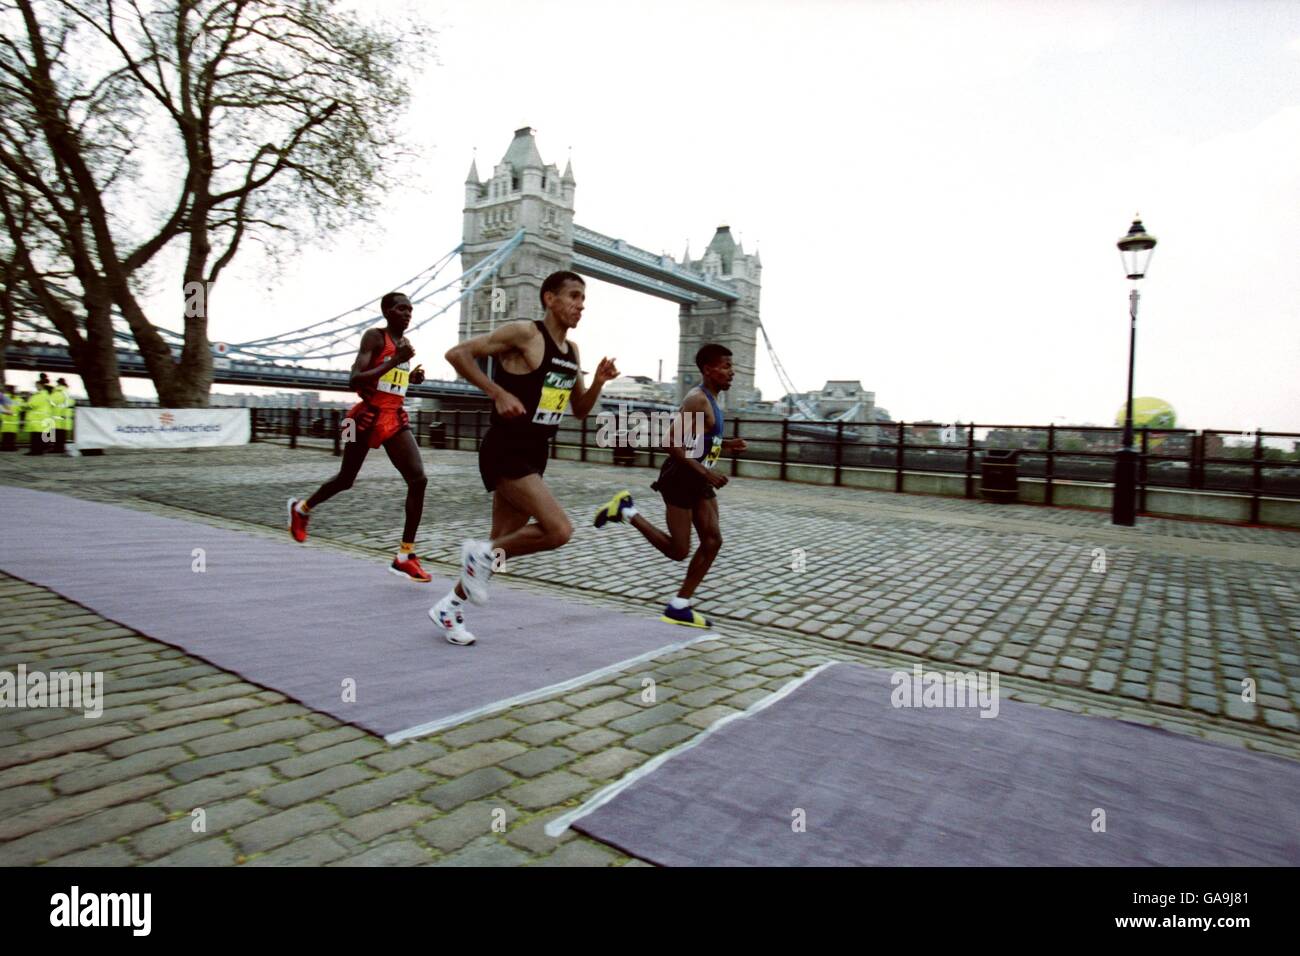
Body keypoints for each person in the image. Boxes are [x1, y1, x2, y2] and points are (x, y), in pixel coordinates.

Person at [429, 271, 618, 645]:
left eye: (583, 299)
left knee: (499, 546)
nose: (581, 305)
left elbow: (578, 410)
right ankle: (477, 557)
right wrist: (497, 392)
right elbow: (458, 355)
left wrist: (598, 381)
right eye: (574, 296)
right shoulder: (525, 334)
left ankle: (449, 608)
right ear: (550, 298)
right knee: (558, 530)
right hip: (506, 447)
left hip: (536, 450)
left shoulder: (572, 352)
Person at [593, 344, 746, 628]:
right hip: (680, 478)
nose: (732, 372)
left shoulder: (713, 399)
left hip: (698, 478)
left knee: (713, 541)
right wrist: (708, 473)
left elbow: (698, 439)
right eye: (726, 366)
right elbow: (671, 443)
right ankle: (626, 511)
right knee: (679, 550)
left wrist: (726, 444)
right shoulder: (696, 399)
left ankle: (680, 605)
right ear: (708, 370)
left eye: (731, 366)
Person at [286, 291, 432, 582]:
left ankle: (405, 555)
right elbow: (355, 379)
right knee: (346, 479)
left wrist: (408, 377)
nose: (407, 313)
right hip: (364, 418)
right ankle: (301, 508)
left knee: (419, 480)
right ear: (387, 312)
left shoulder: (404, 345)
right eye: (401, 308)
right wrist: (395, 362)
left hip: (394, 417)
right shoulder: (375, 337)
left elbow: (388, 382)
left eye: (410, 309)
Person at [24, 375, 54, 456]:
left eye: (36, 385)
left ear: (40, 385)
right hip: (43, 418)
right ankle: (39, 450)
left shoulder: (39, 395)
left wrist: (28, 400)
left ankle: (35, 451)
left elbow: (31, 405)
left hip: (37, 418)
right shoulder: (48, 395)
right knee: (40, 436)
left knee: (35, 436)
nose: (36, 387)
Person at [51, 378, 74, 454]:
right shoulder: (67, 391)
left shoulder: (58, 391)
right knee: (62, 433)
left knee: (57, 433)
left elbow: (52, 401)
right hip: (65, 415)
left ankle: (57, 448)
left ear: (58, 383)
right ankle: (61, 447)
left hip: (57, 414)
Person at [0, 385, 20, 452]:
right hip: (14, 420)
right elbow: (21, 407)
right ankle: (12, 447)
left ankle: (4, 447)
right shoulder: (18, 399)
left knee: (5, 436)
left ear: (6, 390)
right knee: (12, 436)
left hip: (5, 420)